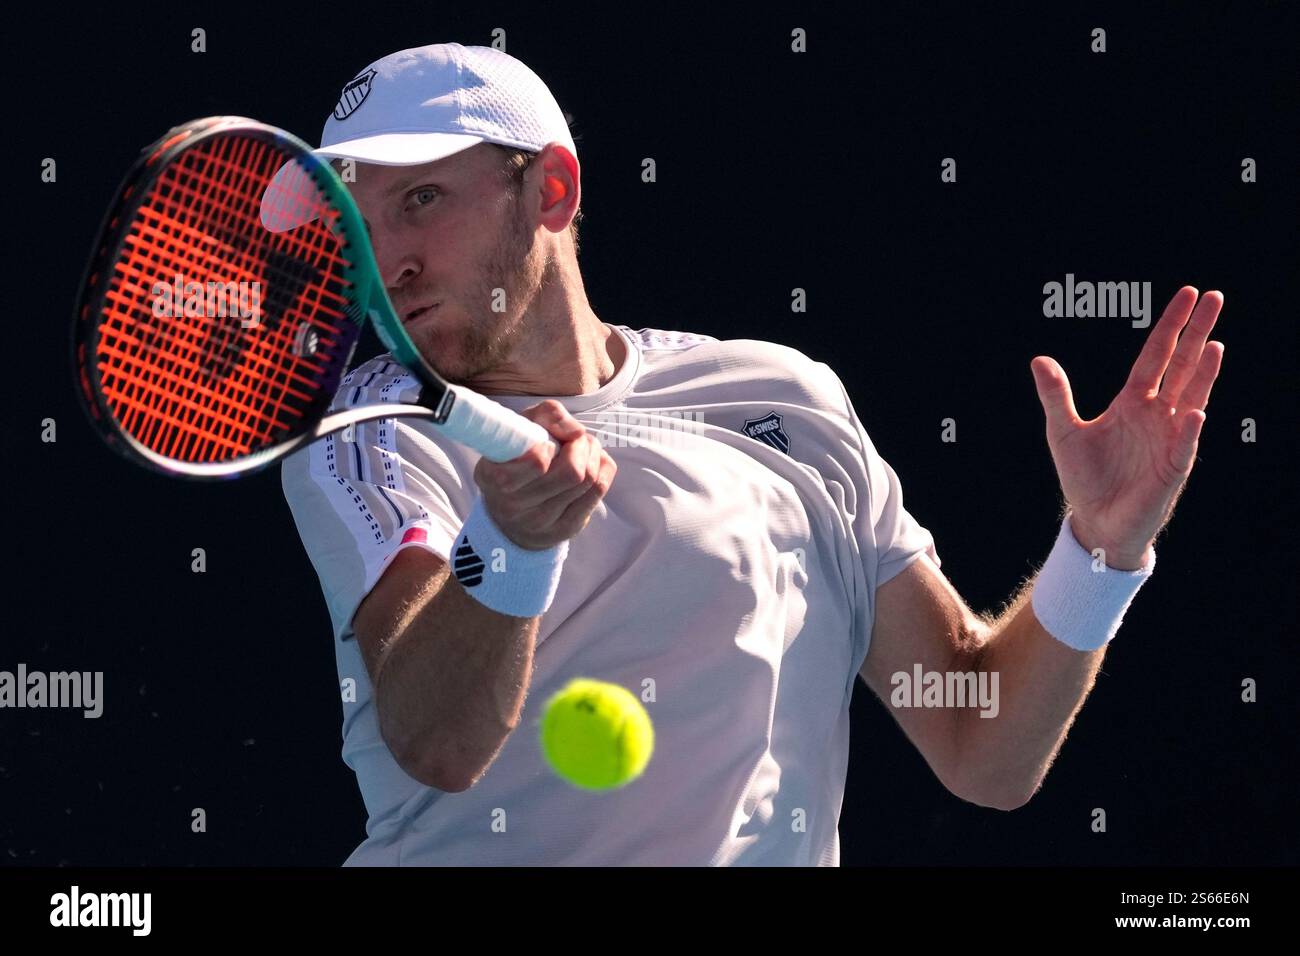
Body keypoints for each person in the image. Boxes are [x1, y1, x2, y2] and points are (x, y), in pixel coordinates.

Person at [279, 43, 1225, 866]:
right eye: (360, 225)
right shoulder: (373, 436)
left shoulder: (784, 398)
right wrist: (514, 551)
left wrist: (1097, 550)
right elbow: (435, 741)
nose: (386, 261)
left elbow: (982, 743)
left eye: (422, 199)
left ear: (551, 189)